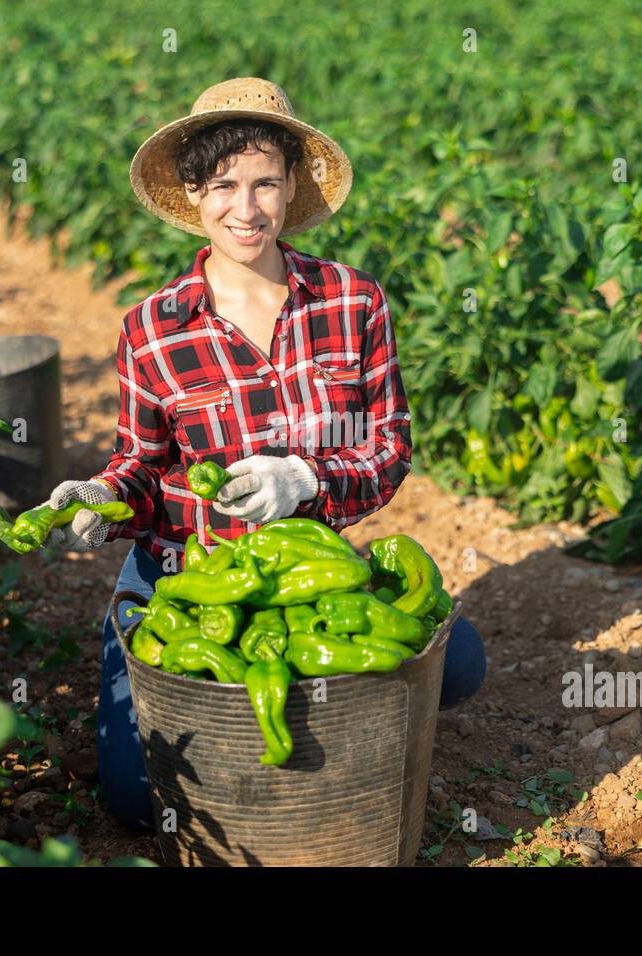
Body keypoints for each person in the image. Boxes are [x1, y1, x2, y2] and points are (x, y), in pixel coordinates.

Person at [37, 77, 486, 829]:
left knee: (458, 663)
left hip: (306, 570)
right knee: (136, 799)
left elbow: (388, 449)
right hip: (187, 577)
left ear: (291, 188)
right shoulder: (153, 328)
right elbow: (139, 469)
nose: (245, 211)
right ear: (193, 192)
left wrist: (306, 477)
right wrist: (98, 499)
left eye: (265, 184)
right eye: (223, 186)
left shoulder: (351, 301)